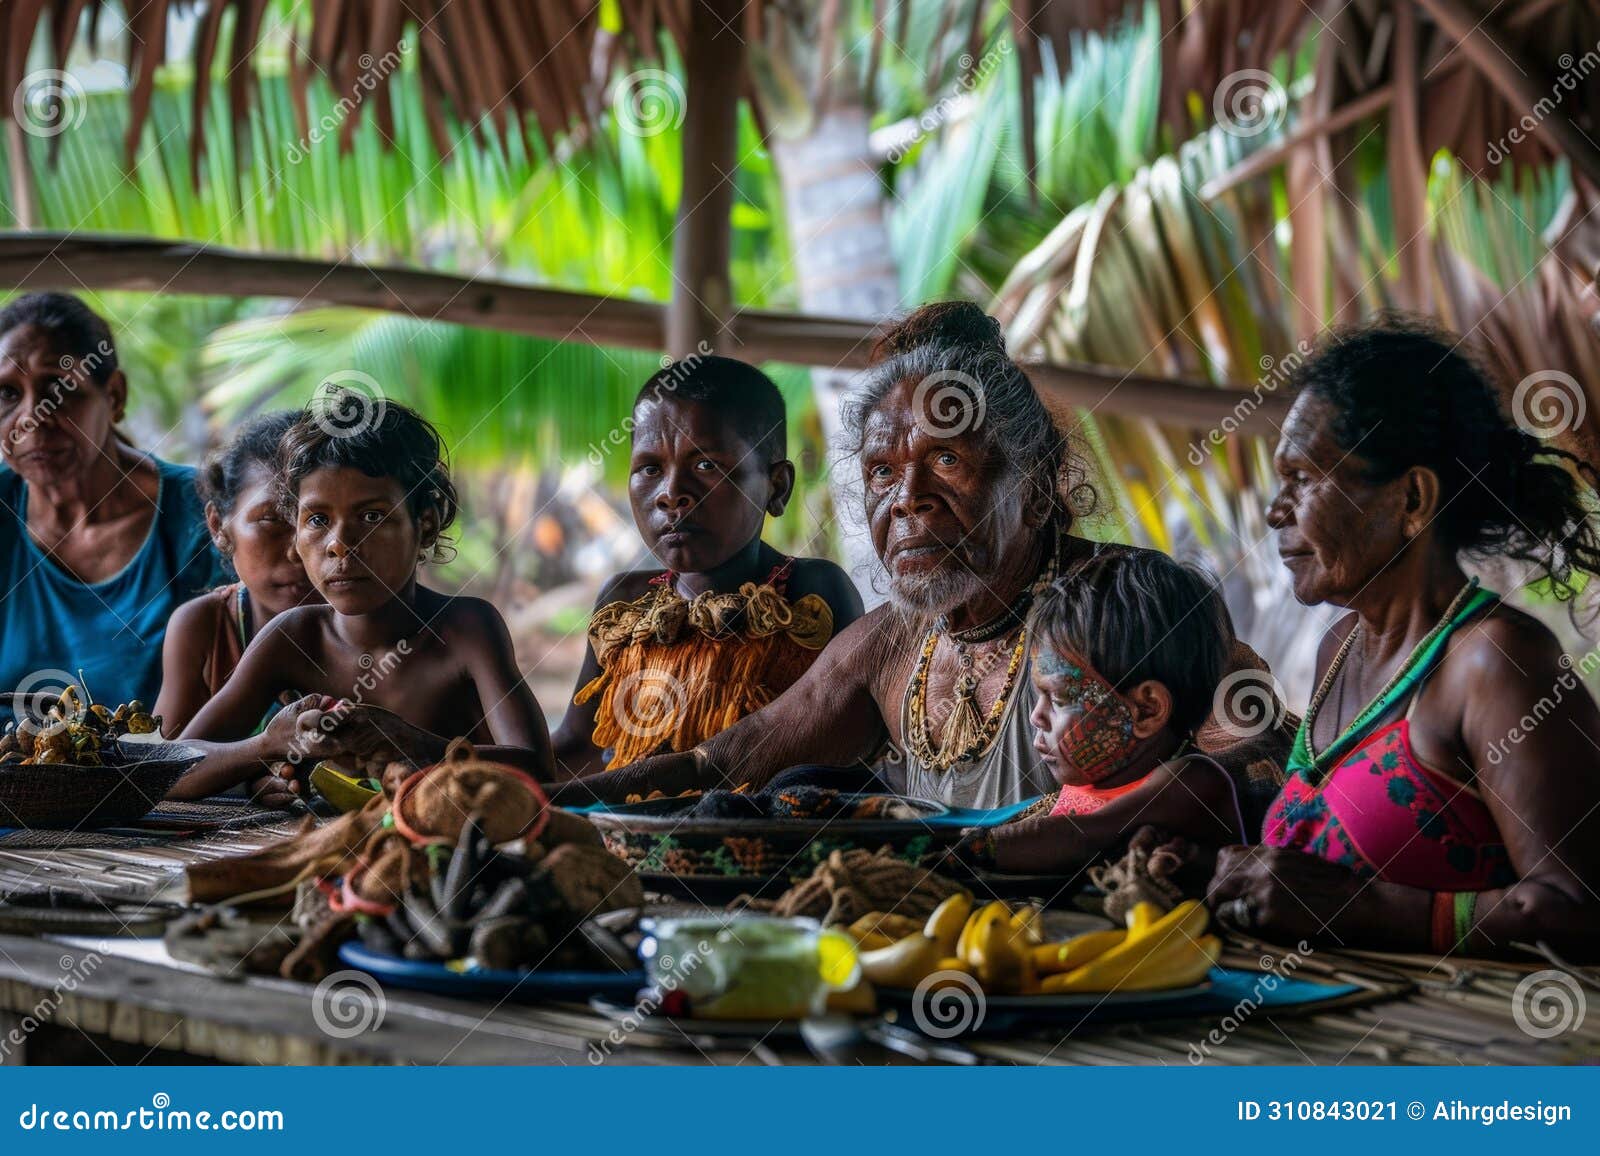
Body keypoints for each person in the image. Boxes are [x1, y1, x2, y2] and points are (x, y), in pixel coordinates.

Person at [545, 302, 1286, 809]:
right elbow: (720, 765)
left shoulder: (1123, 605)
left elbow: (1258, 755)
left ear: (1032, 486)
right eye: (881, 472)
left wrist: (1094, 829)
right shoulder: (887, 646)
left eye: (949, 463)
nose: (906, 499)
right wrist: (548, 806)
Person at [1208, 317, 1600, 959]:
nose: (1277, 511)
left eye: (1304, 479)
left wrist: (1363, 910)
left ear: (1413, 499)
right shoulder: (1339, 649)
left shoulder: (1493, 663)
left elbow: (1579, 907)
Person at [169, 390, 550, 801]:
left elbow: (538, 771)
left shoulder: (466, 629)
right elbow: (169, 771)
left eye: (372, 516)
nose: (340, 544)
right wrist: (264, 747)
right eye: (317, 519)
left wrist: (412, 744)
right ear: (296, 536)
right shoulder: (294, 637)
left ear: (425, 524)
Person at [548, 356, 862, 779]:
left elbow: (840, 748)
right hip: (627, 831)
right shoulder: (625, 603)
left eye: (706, 466)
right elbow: (578, 746)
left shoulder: (810, 595)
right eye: (649, 468)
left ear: (777, 486)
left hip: (769, 835)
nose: (671, 493)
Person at [0, 292, 222, 722]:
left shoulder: (202, 517)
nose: (31, 418)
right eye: (7, 393)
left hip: (163, 783)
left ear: (115, 396)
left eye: (59, 389)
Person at [973, 550, 1263, 874]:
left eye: (1057, 699)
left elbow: (1079, 839)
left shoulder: (1190, 782)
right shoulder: (1093, 776)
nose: (1036, 717)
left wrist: (960, 850)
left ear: (1146, 710)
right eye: (1039, 696)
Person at [155, 411, 321, 734]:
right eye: (272, 519)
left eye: (317, 520)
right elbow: (158, 768)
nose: (297, 549)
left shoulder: (372, 625)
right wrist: (250, 779)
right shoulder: (205, 629)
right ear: (219, 526)